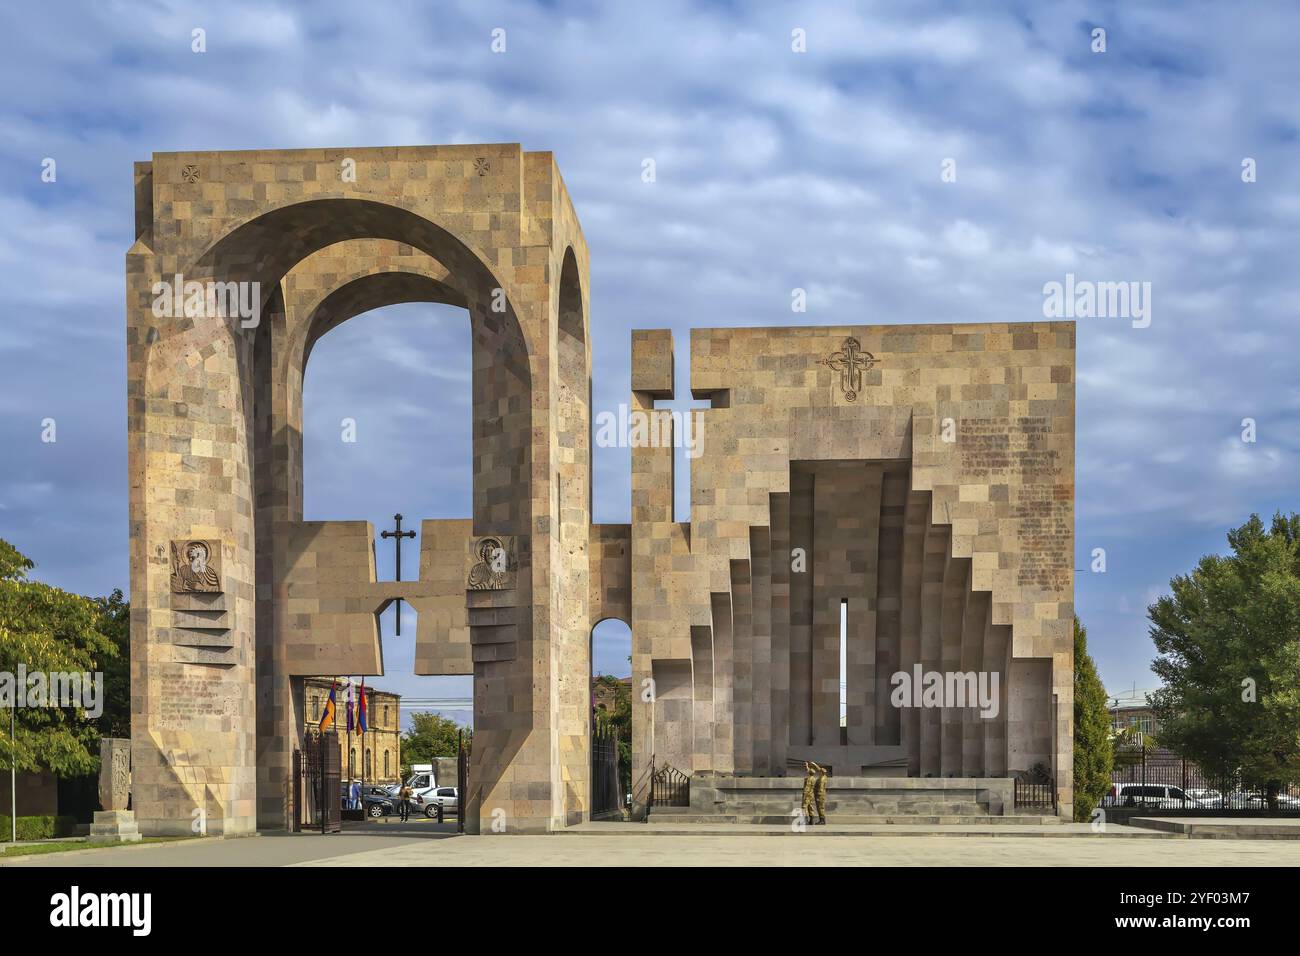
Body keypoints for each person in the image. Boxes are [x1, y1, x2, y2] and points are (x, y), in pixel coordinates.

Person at [800, 762, 818, 826]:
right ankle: (812, 820)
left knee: (804, 807)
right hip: (811, 794)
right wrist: (807, 766)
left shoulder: (808, 779)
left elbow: (807, 788)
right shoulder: (813, 778)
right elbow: (809, 772)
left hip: (807, 795)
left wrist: (804, 795)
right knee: (810, 807)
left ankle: (805, 821)